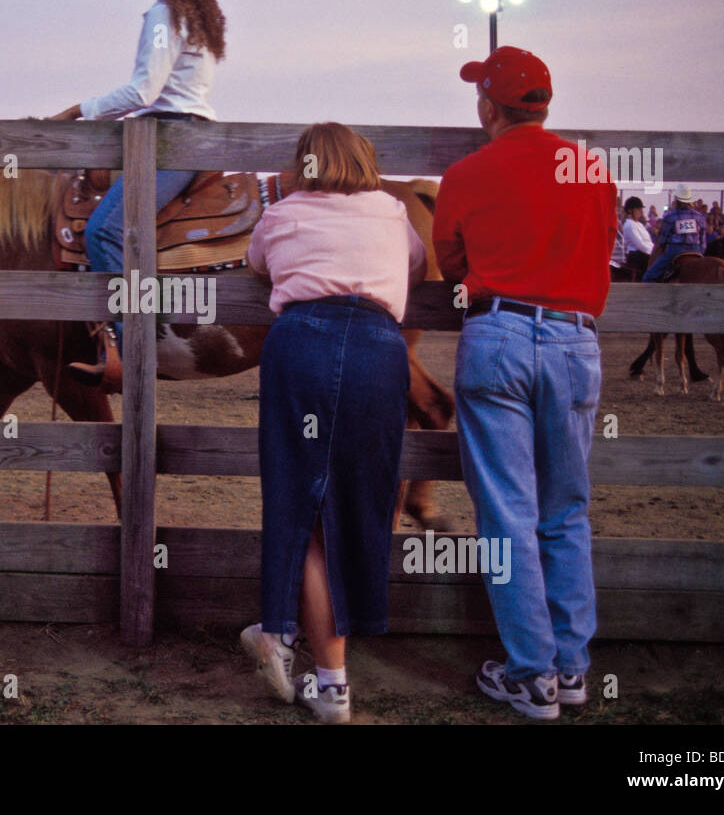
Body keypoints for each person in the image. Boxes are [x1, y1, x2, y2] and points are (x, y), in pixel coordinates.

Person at [432, 46, 617, 720]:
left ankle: (531, 673)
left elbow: (451, 262)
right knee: (565, 509)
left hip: (499, 333)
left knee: (506, 511)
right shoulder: (590, 169)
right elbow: (605, 246)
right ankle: (570, 667)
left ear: (490, 105)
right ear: (543, 102)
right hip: (573, 338)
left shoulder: (467, 172)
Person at [239, 122, 426, 724]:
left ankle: (303, 654)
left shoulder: (283, 213)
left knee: (300, 505)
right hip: (377, 345)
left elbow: (256, 263)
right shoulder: (393, 213)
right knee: (361, 506)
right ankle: (316, 663)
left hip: (301, 344)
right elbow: (417, 270)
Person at [52, 0, 225, 387]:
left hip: (169, 140)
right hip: (183, 136)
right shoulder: (192, 15)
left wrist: (77, 110)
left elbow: (143, 93)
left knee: (106, 232)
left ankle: (131, 348)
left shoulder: (164, 14)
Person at [641, 185, 708, 283]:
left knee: (648, 277)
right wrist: (700, 251)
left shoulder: (670, 216)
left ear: (676, 200)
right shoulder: (699, 217)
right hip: (696, 250)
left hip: (675, 251)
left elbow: (662, 241)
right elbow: (703, 242)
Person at [617, 196, 653, 280]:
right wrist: (653, 253)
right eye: (638, 209)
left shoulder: (640, 224)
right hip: (637, 256)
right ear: (630, 210)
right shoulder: (629, 225)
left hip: (645, 253)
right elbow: (639, 244)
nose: (641, 211)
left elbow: (648, 241)